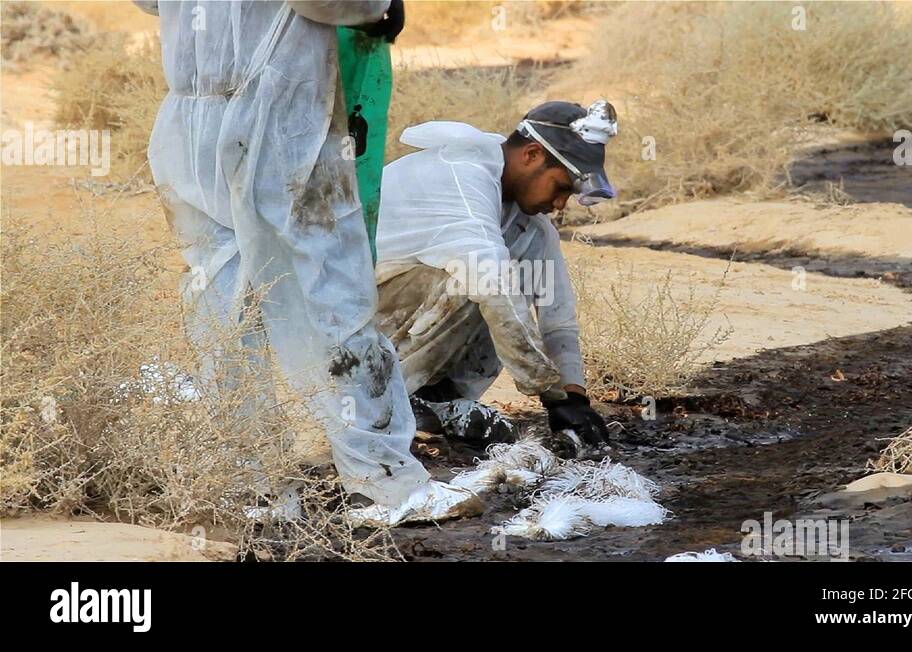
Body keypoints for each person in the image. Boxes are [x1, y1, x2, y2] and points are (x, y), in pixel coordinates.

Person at [136, 0, 481, 525]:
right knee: (334, 294)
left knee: (221, 299)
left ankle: (250, 484)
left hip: (186, 123)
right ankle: (385, 483)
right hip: (278, 116)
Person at [373, 100, 616, 452]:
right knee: (485, 286)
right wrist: (550, 394)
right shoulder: (461, 175)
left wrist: (575, 400)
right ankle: (385, 400)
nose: (561, 204)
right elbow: (493, 286)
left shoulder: (532, 228)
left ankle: (434, 400)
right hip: (353, 328)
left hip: (407, 327)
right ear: (532, 154)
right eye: (561, 187)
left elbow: (556, 319)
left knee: (519, 281)